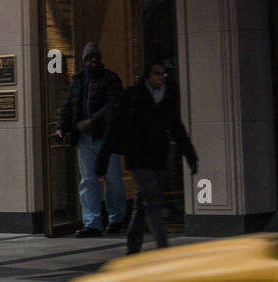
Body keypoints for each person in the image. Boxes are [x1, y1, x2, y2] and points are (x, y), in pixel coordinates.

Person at [96, 59, 197, 254]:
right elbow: (115, 127)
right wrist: (103, 159)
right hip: (138, 159)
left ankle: (132, 249)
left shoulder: (166, 97)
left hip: (159, 158)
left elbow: (177, 129)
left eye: (163, 74)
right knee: (153, 203)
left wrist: (190, 156)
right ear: (147, 75)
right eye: (157, 73)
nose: (161, 77)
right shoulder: (133, 95)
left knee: (142, 204)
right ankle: (163, 251)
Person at [54, 43, 126, 238]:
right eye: (89, 58)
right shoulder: (77, 81)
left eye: (96, 57)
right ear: (84, 60)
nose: (93, 60)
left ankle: (116, 219)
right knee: (88, 181)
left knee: (113, 180)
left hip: (106, 137)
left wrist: (93, 121)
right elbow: (68, 107)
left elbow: (115, 104)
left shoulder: (110, 79)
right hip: (84, 139)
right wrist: (61, 128)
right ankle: (92, 223)